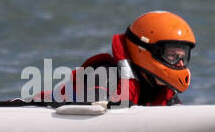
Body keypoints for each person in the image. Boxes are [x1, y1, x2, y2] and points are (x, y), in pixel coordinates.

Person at [52, 10, 195, 106]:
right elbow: (90, 125)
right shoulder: (105, 75)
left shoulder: (164, 91)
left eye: (182, 57)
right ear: (144, 51)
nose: (179, 63)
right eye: (172, 56)